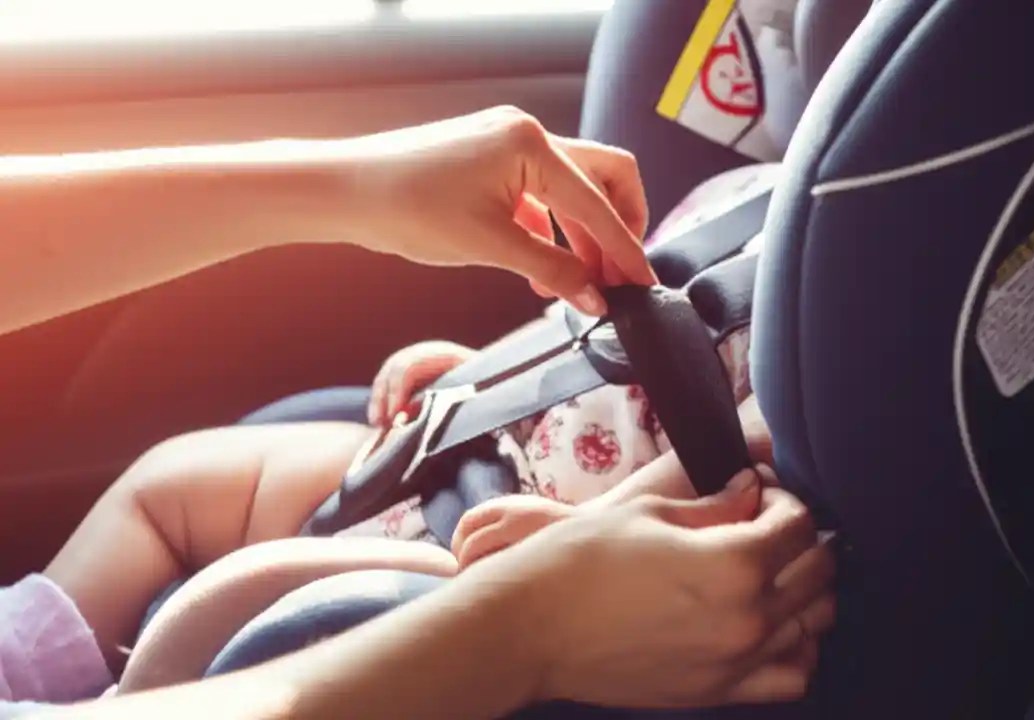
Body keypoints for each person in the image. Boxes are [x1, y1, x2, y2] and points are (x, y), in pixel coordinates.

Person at [0, 106, 835, 716]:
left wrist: (487, 378)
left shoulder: (760, 214)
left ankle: (62, 662)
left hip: (478, 483)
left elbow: (601, 327)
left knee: (168, 486)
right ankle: (128, 693)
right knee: (205, 623)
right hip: (514, 553)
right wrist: (536, 600)